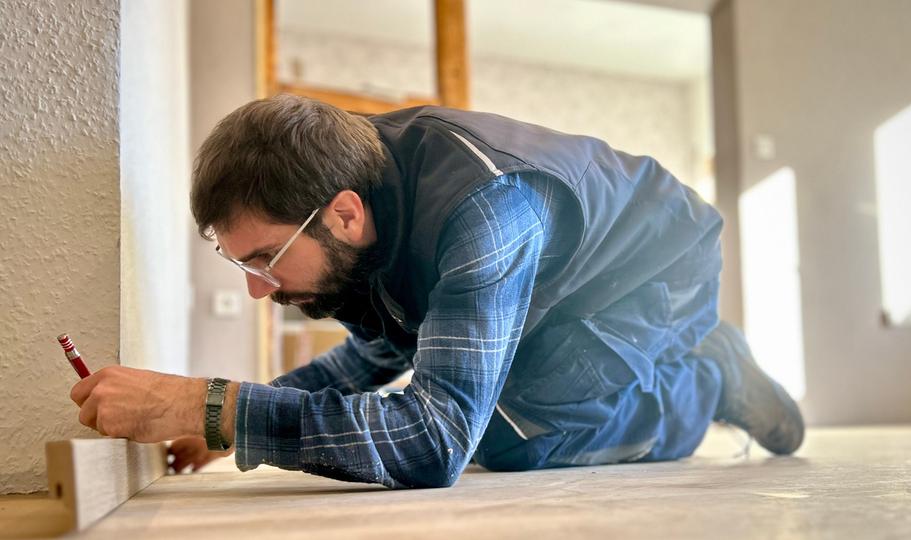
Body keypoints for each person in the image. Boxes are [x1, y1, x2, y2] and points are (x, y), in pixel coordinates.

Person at [70, 94, 803, 488]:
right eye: (243, 267)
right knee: (481, 393)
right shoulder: (361, 203)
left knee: (509, 433)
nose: (260, 290)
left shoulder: (484, 212)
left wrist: (212, 408)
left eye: (266, 259)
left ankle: (707, 377)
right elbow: (371, 357)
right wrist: (220, 422)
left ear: (345, 214)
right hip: (566, 278)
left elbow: (435, 442)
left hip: (650, 276)